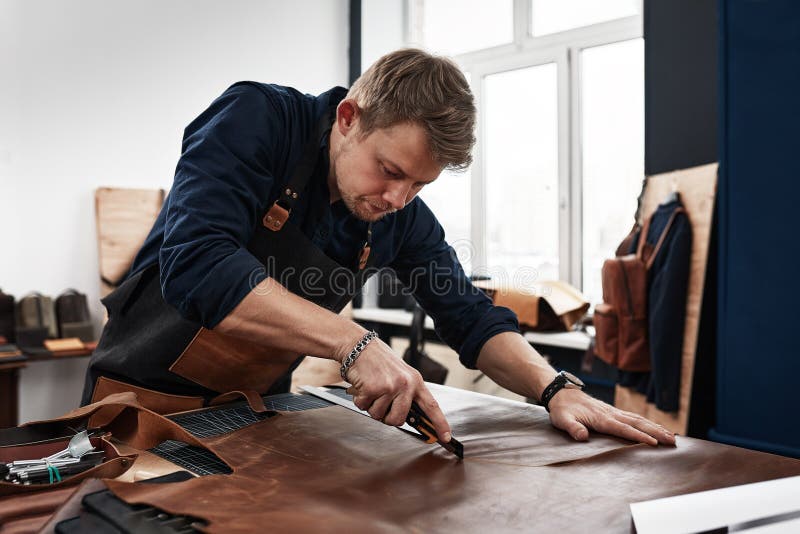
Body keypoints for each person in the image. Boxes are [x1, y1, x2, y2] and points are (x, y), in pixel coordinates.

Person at [82, 48, 674, 448]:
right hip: (137, 407)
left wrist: (554, 390)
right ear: (347, 117)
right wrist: (353, 344)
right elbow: (199, 265)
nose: (398, 197)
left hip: (253, 417)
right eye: (389, 170)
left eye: (420, 183)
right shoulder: (259, 119)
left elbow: (469, 316)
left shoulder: (401, 218)